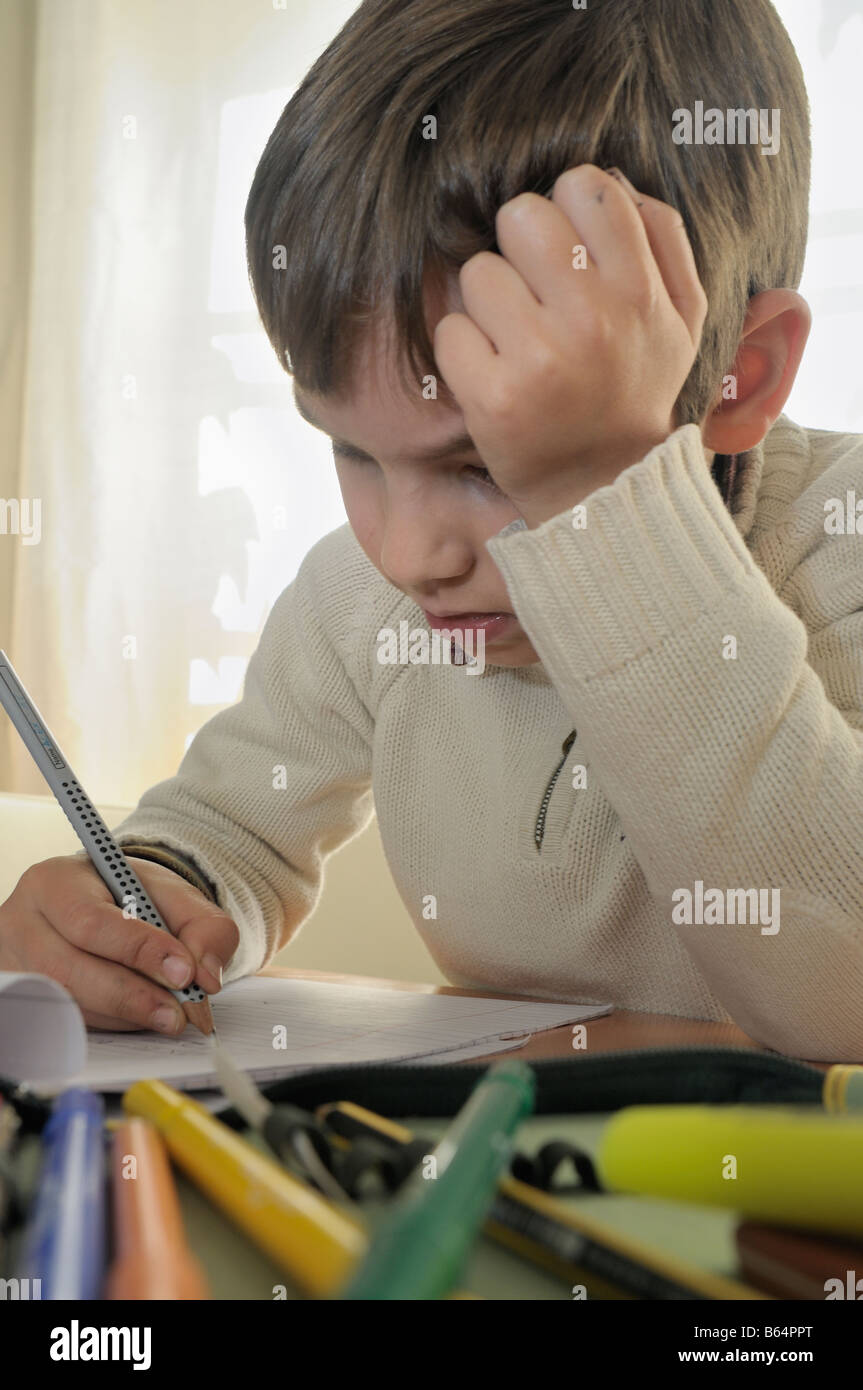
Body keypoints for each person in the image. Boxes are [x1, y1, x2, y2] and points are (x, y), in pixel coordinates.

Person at [3, 0, 861, 1060]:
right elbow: (224, 831)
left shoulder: (836, 542)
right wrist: (139, 905)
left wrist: (612, 517)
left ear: (742, 378)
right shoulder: (358, 603)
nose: (408, 558)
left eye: (487, 463)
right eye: (352, 450)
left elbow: (844, 996)